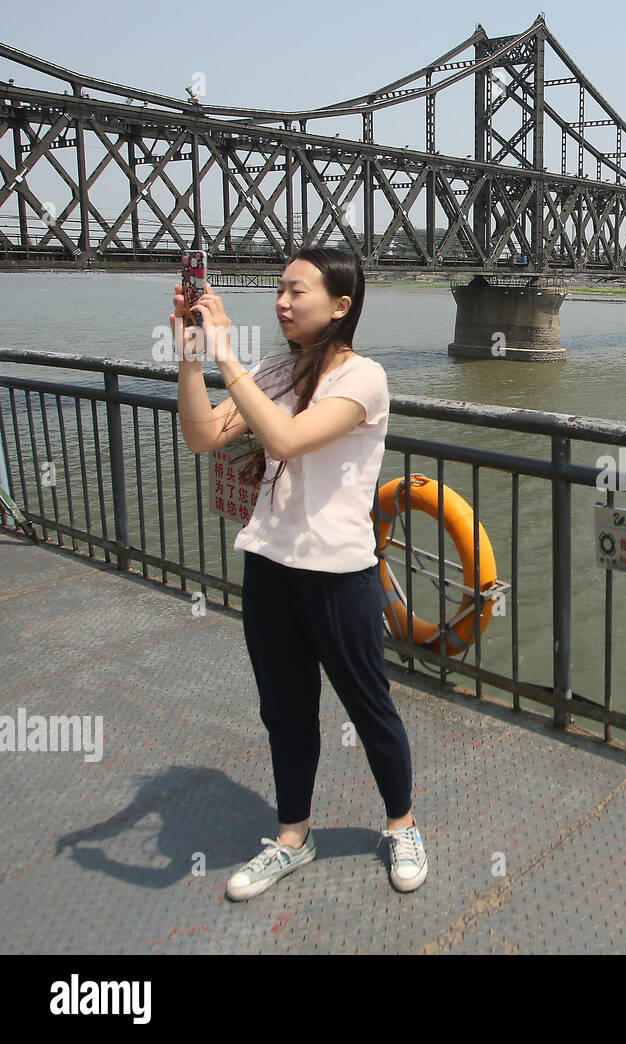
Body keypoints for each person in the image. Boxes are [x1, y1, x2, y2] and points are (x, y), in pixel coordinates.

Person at [172, 246, 426, 900]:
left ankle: (401, 823)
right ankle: (293, 837)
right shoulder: (275, 369)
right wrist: (193, 357)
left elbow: (284, 441)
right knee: (285, 713)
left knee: (370, 709)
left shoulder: (363, 378)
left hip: (338, 576)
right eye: (279, 290)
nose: (282, 302)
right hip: (269, 567)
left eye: (298, 291)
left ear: (341, 306)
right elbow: (204, 436)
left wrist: (229, 361)